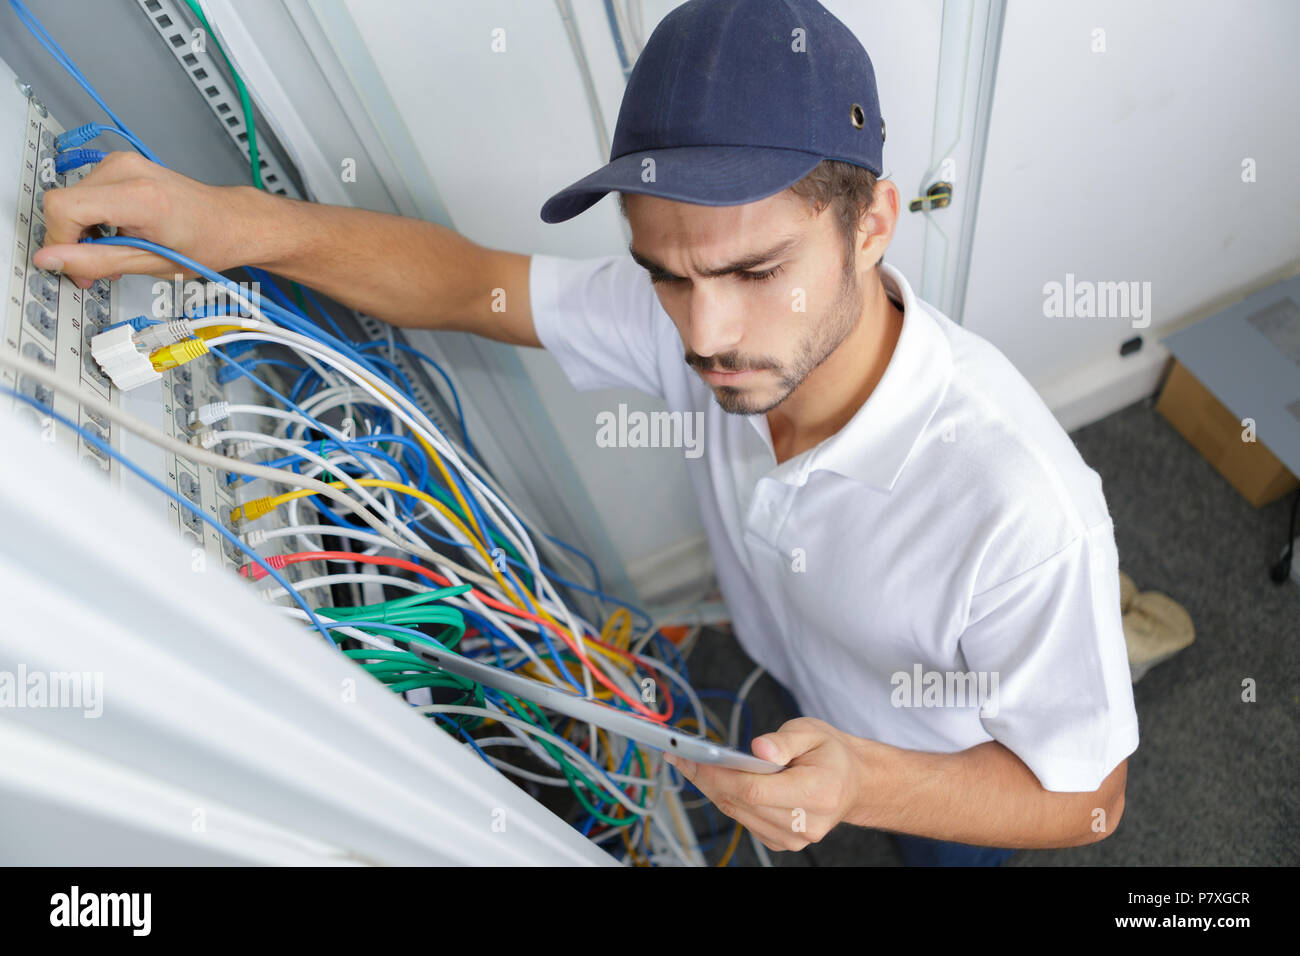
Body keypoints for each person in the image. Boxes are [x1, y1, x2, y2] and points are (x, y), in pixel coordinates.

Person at [34, 0, 1137, 865]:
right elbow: (470, 284)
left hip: (943, 771)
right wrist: (226, 222)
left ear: (874, 226)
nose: (706, 336)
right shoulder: (708, 321)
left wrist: (866, 783)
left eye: (758, 272)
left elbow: (1089, 799)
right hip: (803, 688)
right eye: (665, 274)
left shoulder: (1020, 510)